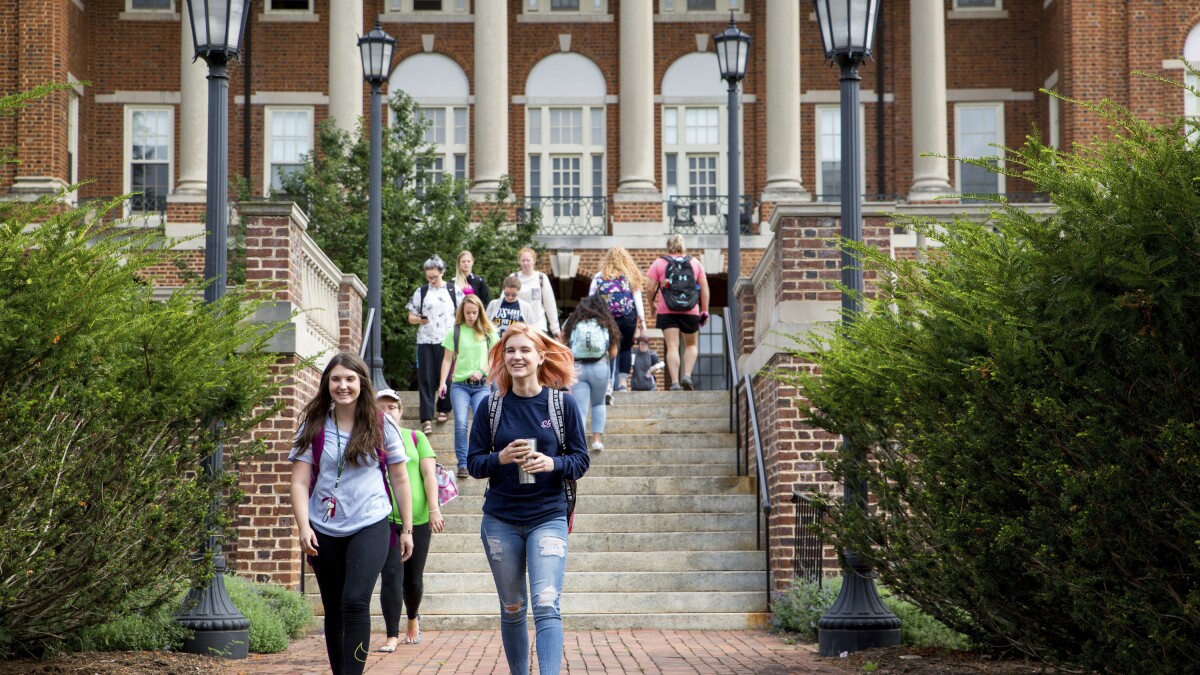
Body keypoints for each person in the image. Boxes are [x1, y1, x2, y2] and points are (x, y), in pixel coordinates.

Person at [466, 322, 590, 675]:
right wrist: (500, 458)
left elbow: (580, 460)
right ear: (503, 358)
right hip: (500, 519)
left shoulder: (561, 404)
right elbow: (473, 464)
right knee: (513, 607)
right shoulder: (491, 407)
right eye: (510, 351)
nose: (517, 356)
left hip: (548, 516)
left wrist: (552, 462)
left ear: (540, 357)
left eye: (524, 350)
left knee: (547, 603)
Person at [289, 353, 414, 675]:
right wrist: (304, 527)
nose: (343, 386)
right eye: (335, 379)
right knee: (334, 608)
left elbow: (400, 478)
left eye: (349, 379)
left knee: (355, 601)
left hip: (370, 521)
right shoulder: (314, 424)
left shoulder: (381, 423)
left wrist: (407, 529)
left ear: (361, 383)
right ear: (326, 383)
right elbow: (300, 481)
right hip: (323, 526)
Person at [375, 389, 444, 653]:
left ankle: (412, 616)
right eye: (381, 407)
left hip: (418, 519)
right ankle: (392, 634)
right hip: (383, 520)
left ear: (401, 412)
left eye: (392, 407)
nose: (387, 412)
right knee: (391, 574)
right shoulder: (369, 438)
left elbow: (429, 475)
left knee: (412, 579)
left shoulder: (416, 438)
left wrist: (434, 509)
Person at [438, 294, 499, 477]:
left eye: (474, 312)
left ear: (480, 312)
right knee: (461, 423)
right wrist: (442, 383)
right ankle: (463, 464)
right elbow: (447, 360)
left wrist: (482, 371)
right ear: (462, 313)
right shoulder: (455, 331)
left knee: (482, 423)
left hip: (481, 386)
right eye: (468, 313)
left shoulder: (488, 332)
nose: (471, 316)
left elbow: (495, 357)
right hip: (460, 386)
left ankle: (482, 459)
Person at [407, 254, 463, 433]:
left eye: (435, 276)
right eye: (428, 276)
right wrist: (418, 320)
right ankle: (426, 417)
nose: (431, 279)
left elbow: (463, 315)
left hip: (447, 340)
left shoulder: (454, 291)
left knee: (446, 377)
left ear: (443, 272)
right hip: (425, 339)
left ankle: (444, 409)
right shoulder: (421, 291)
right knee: (426, 378)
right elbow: (410, 316)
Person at [646, 234, 710, 390]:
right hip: (690, 310)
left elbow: (649, 289)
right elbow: (704, 288)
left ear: (668, 246)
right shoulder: (695, 263)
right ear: (683, 246)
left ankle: (674, 382)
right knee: (691, 345)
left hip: (667, 310)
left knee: (672, 346)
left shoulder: (659, 263)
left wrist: (652, 305)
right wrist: (704, 310)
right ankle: (687, 376)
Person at [560, 294, 621, 452]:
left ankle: (578, 443)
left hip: (578, 367)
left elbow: (562, 345)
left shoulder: (572, 322)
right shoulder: (606, 322)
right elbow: (613, 351)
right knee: (599, 403)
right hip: (600, 367)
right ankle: (596, 441)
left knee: (580, 408)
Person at [588, 246, 647, 393]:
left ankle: (608, 383)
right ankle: (622, 384)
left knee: (608, 349)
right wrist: (643, 321)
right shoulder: (630, 276)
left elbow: (591, 299)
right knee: (626, 348)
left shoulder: (599, 276)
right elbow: (637, 299)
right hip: (628, 317)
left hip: (606, 318)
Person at [513, 246, 560, 337]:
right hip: (518, 326)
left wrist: (555, 328)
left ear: (534, 261)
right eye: (523, 260)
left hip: (538, 325)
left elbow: (550, 304)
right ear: (519, 261)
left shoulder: (541, 278)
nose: (526, 263)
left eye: (528, 260)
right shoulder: (514, 278)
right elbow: (504, 301)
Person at [486, 274, 535, 338]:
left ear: (519, 290)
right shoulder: (494, 304)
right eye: (507, 294)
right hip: (496, 342)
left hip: (516, 343)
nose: (510, 297)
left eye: (514, 295)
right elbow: (485, 324)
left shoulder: (526, 307)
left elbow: (531, 330)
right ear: (503, 289)